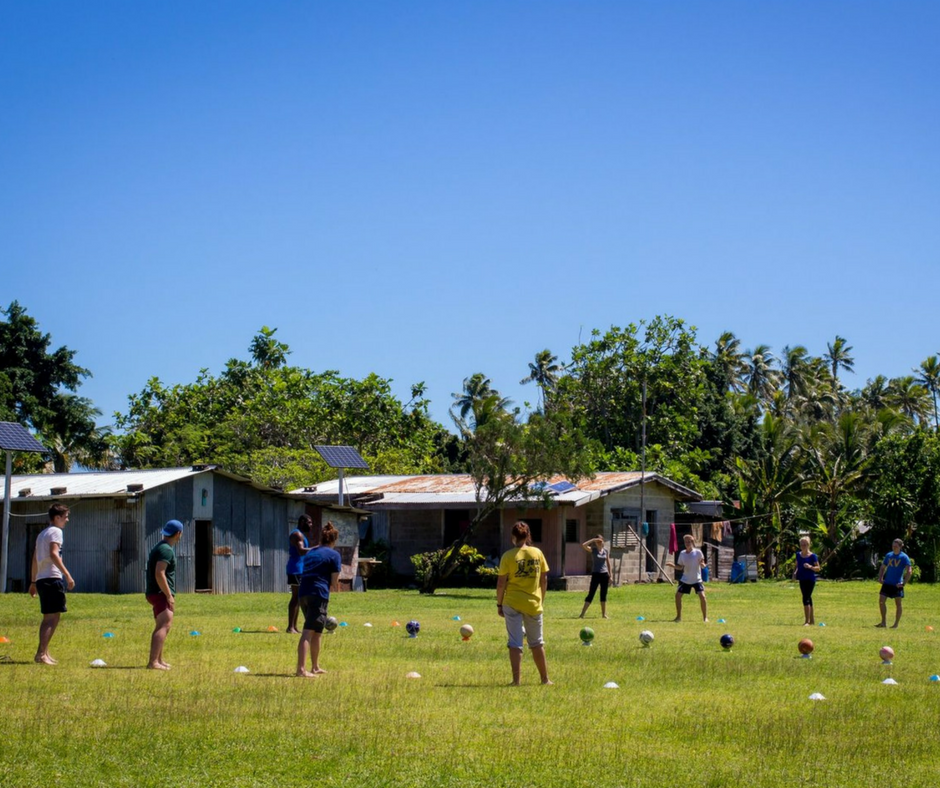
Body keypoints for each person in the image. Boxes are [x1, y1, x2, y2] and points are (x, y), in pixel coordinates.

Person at [496, 521, 552, 686]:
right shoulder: (537, 553)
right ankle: (545, 679)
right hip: (534, 603)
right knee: (537, 643)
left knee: (515, 643)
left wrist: (499, 604)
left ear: (513, 537)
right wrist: (541, 600)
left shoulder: (508, 556)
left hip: (512, 602)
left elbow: (501, 583)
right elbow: (544, 579)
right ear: (528, 535)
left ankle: (516, 681)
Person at [29, 503, 75, 665]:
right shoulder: (56, 531)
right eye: (65, 517)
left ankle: (44, 652)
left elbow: (35, 558)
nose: (67, 520)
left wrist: (33, 581)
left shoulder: (42, 534)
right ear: (57, 517)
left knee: (50, 616)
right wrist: (67, 575)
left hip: (42, 578)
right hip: (51, 578)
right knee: (51, 618)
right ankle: (41, 654)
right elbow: (54, 554)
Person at [296, 521, 342, 677]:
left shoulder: (311, 552)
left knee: (317, 631)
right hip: (318, 593)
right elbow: (334, 581)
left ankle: (315, 667)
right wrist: (335, 586)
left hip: (303, 593)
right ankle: (301, 670)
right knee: (308, 632)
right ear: (333, 541)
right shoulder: (334, 555)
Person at [146, 520, 184, 670]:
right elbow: (159, 573)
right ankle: (153, 662)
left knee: (162, 625)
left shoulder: (160, 547)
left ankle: (159, 660)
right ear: (178, 534)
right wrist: (169, 595)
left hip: (155, 592)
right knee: (164, 625)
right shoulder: (166, 550)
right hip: (160, 592)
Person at [286, 514, 313, 634]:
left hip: (301, 569)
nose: (311, 525)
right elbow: (301, 551)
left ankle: (294, 627)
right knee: (296, 597)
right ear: (302, 522)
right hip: (295, 569)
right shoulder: (297, 534)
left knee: (299, 597)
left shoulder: (302, 535)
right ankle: (290, 627)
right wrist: (318, 549)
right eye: (309, 522)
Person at [876, 538, 912, 629]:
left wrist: (903, 583)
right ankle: (883, 622)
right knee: (881, 602)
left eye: (896, 546)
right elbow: (883, 567)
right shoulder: (889, 555)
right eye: (893, 546)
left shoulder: (904, 557)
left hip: (897, 584)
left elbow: (909, 571)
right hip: (887, 583)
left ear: (900, 546)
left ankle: (895, 624)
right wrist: (880, 577)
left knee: (898, 604)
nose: (894, 547)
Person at [673, 533, 708, 623]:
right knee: (677, 596)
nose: (687, 543)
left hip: (697, 579)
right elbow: (680, 567)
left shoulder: (698, 552)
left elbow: (703, 564)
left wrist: (702, 565)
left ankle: (705, 618)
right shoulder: (682, 553)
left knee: (703, 597)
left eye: (689, 541)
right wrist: (673, 566)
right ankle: (678, 617)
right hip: (685, 580)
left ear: (692, 542)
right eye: (686, 542)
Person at [579, 534, 612, 619]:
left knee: (603, 594)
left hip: (604, 574)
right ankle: (582, 614)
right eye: (597, 541)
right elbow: (583, 545)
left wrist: (610, 576)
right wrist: (593, 539)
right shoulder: (593, 550)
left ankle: (604, 614)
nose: (599, 543)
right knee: (591, 593)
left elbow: (608, 563)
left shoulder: (606, 551)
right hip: (596, 574)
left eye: (600, 541)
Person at [792, 536, 821, 625]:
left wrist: (810, 567)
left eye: (805, 544)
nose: (803, 546)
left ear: (808, 545)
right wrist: (794, 573)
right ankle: (811, 620)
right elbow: (797, 566)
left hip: (810, 579)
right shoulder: (798, 555)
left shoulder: (813, 556)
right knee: (808, 598)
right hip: (802, 579)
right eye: (802, 544)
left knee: (805, 599)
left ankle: (807, 621)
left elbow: (818, 568)